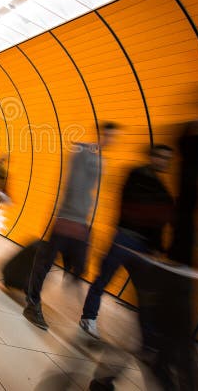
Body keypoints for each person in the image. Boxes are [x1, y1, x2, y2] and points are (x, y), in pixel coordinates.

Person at [22, 122, 119, 330]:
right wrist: (83, 148)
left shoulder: (101, 161)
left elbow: (92, 192)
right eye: (107, 135)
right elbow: (72, 185)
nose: (110, 140)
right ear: (100, 134)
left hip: (82, 223)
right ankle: (32, 301)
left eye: (113, 137)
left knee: (80, 267)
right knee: (45, 263)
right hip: (65, 219)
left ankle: (53, 289)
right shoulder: (82, 153)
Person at [80, 144, 174, 340]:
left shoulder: (161, 188)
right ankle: (88, 318)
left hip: (143, 247)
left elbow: (159, 220)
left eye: (167, 159)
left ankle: (149, 336)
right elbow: (139, 210)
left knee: (145, 292)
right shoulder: (137, 176)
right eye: (160, 157)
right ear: (151, 157)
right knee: (103, 280)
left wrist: (157, 248)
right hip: (125, 239)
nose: (164, 162)